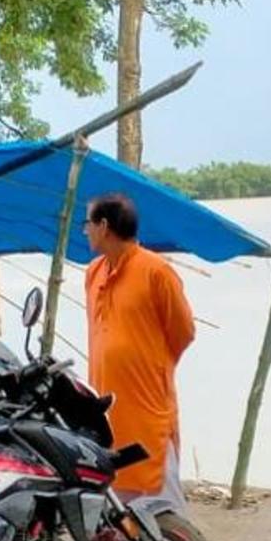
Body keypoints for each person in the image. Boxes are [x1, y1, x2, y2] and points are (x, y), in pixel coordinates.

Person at [84, 192, 196, 504]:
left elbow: (183, 332)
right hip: (107, 405)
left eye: (88, 223)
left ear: (103, 226)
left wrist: (148, 362)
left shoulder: (156, 271)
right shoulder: (94, 272)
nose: (85, 231)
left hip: (147, 405)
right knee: (115, 500)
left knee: (160, 505)